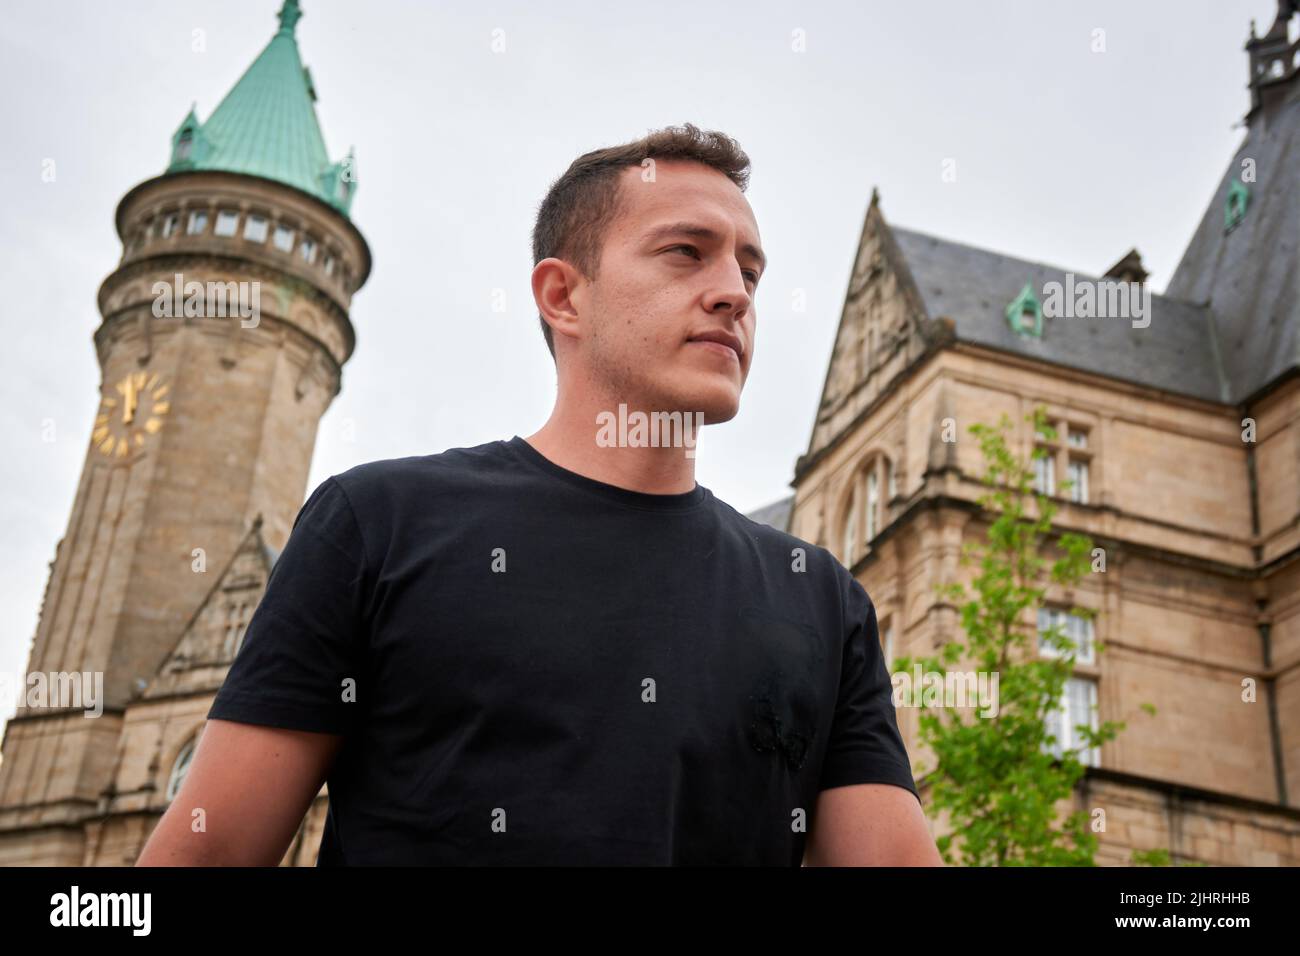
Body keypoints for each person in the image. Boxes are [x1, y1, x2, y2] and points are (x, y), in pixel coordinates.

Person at [137, 123, 942, 866]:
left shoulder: (823, 601)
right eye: (686, 252)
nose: (734, 291)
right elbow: (207, 855)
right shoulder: (378, 526)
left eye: (750, 270)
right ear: (564, 296)